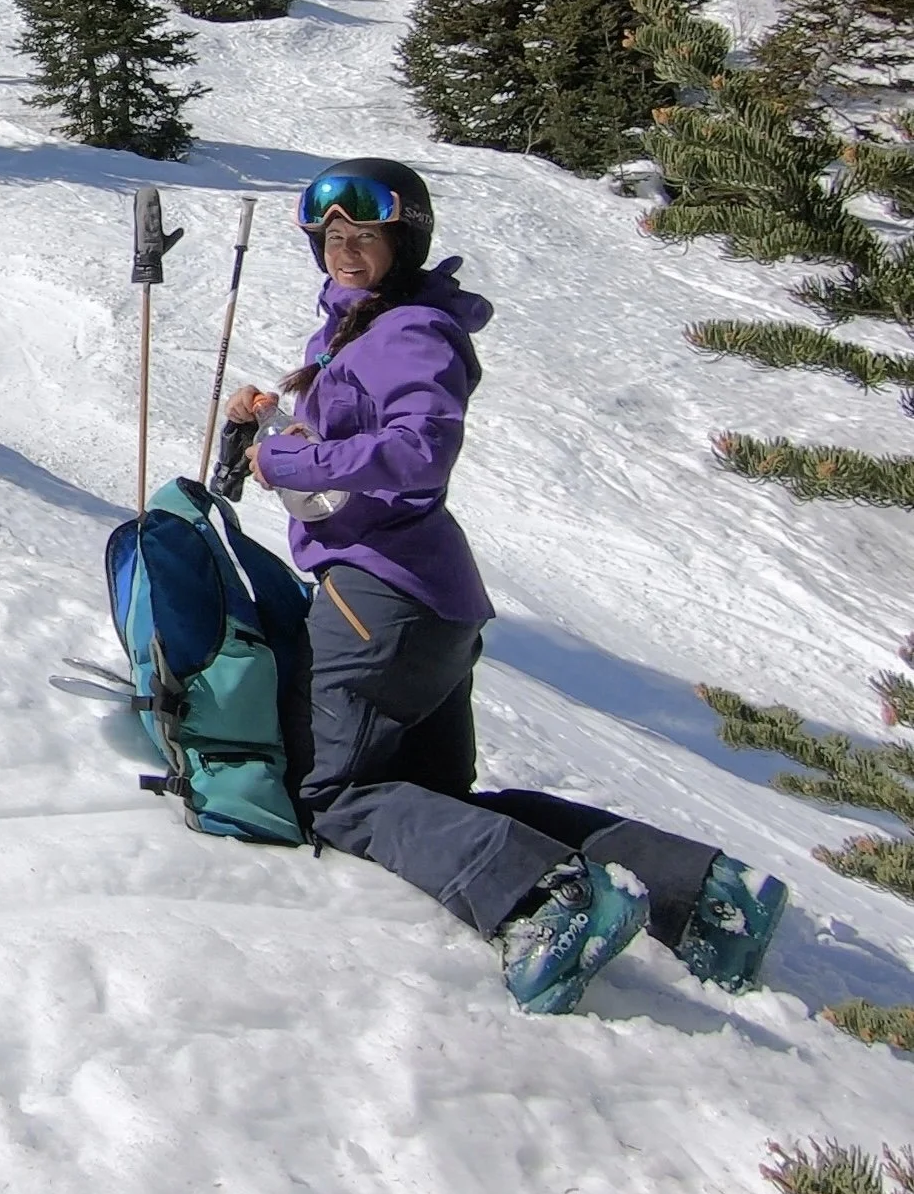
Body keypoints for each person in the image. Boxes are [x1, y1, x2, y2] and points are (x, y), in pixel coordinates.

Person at [225, 157, 789, 1016]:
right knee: (438, 804)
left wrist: (294, 460)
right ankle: (704, 894)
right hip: (424, 600)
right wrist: (272, 431)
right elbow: (353, 452)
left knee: (336, 795)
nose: (345, 251)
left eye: (364, 235)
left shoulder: (409, 331)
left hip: (378, 598)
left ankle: (548, 902)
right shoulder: (359, 331)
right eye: (331, 239)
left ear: (405, 239)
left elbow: (419, 452)